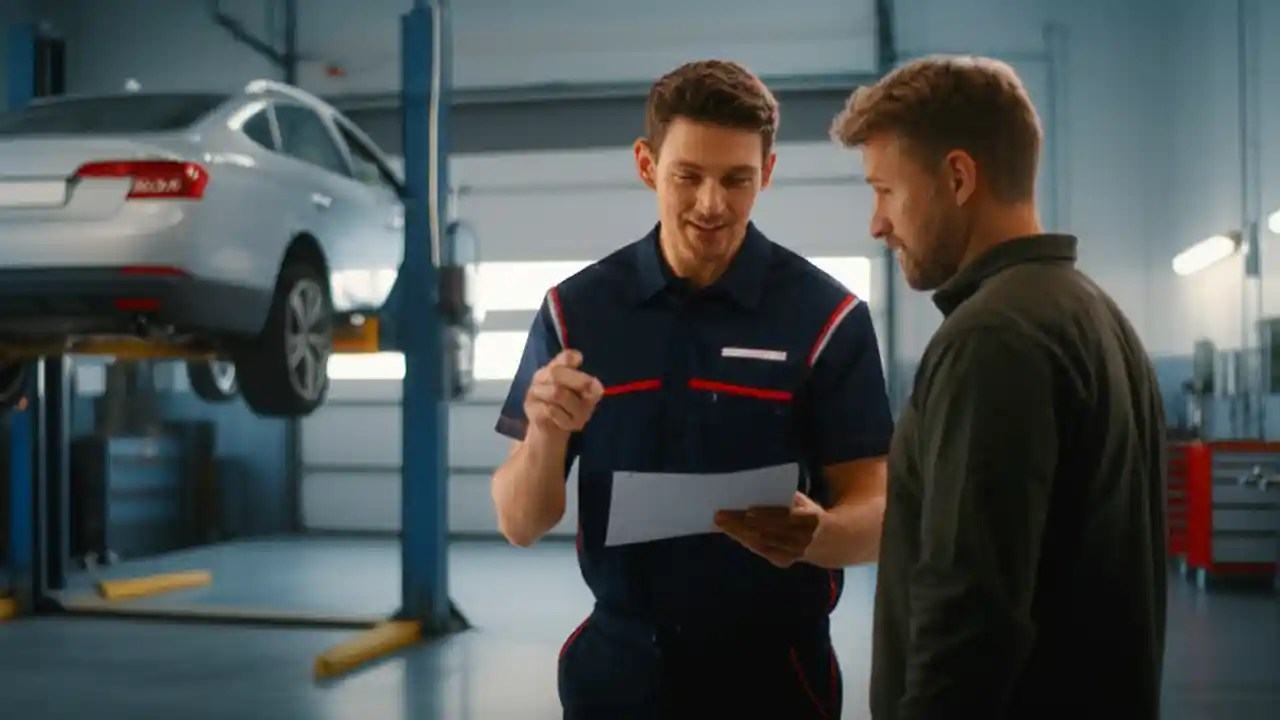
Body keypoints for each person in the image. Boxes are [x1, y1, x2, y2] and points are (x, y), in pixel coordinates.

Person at [490, 59, 895, 719]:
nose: (712, 204)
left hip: (774, 677)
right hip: (619, 671)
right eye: (688, 176)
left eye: (737, 180)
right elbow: (520, 521)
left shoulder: (827, 320)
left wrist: (817, 534)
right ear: (647, 165)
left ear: (766, 173)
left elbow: (876, 514)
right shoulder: (577, 312)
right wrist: (545, 434)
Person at [829, 55, 1169, 719]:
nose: (877, 223)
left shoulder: (994, 340)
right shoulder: (1092, 314)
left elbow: (970, 610)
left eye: (886, 191)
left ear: (958, 177)